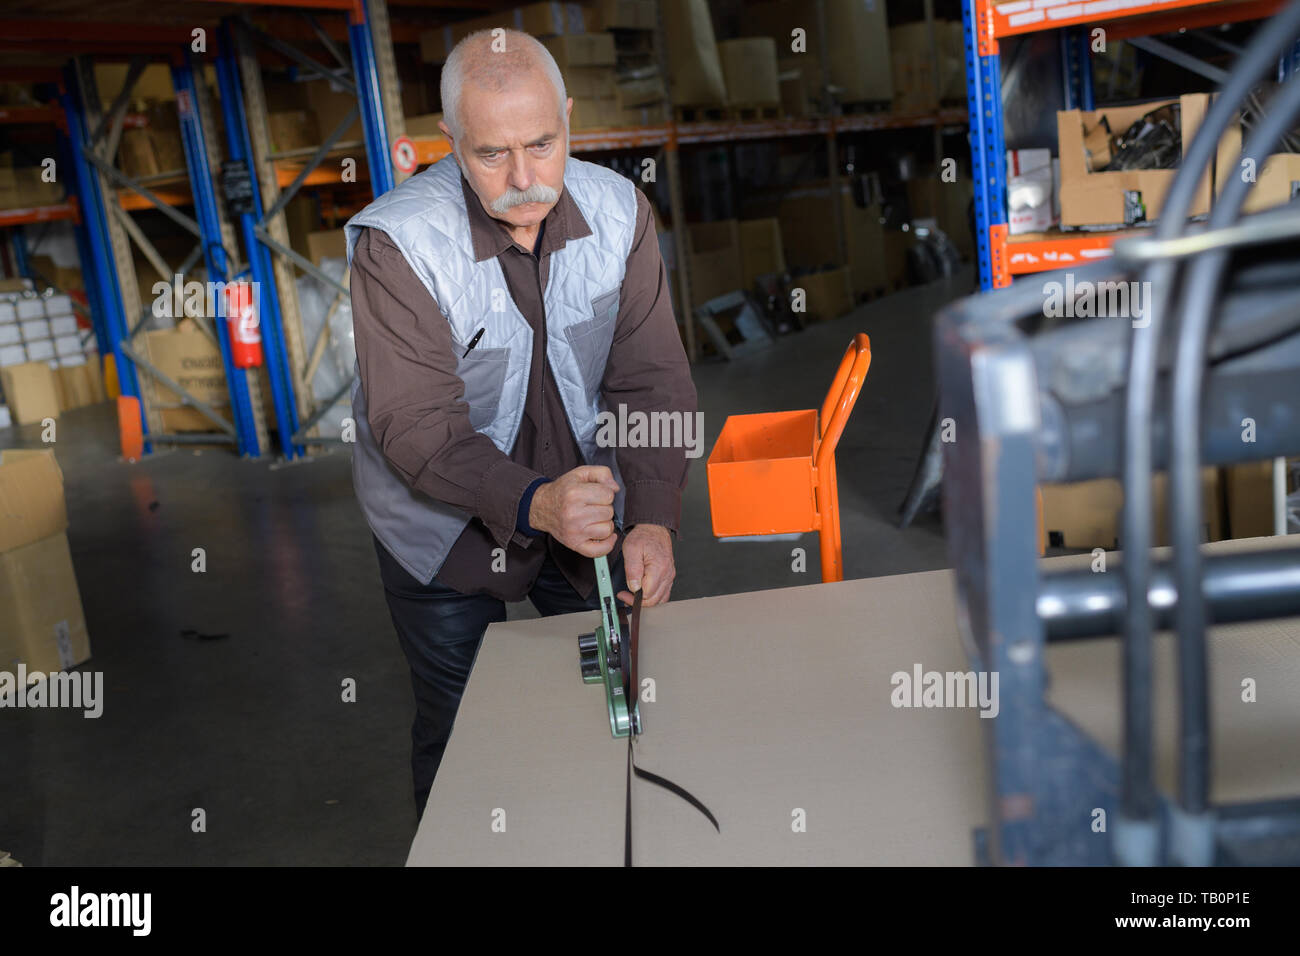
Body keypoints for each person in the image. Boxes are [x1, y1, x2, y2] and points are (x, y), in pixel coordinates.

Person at [345, 28, 697, 820]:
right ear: (451, 142)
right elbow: (416, 427)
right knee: (465, 729)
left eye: (543, 143)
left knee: (609, 701)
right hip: (440, 525)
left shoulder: (619, 212)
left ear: (569, 117)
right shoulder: (398, 244)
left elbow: (651, 382)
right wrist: (535, 501)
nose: (525, 179)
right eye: (491, 154)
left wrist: (653, 517)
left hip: (583, 511)